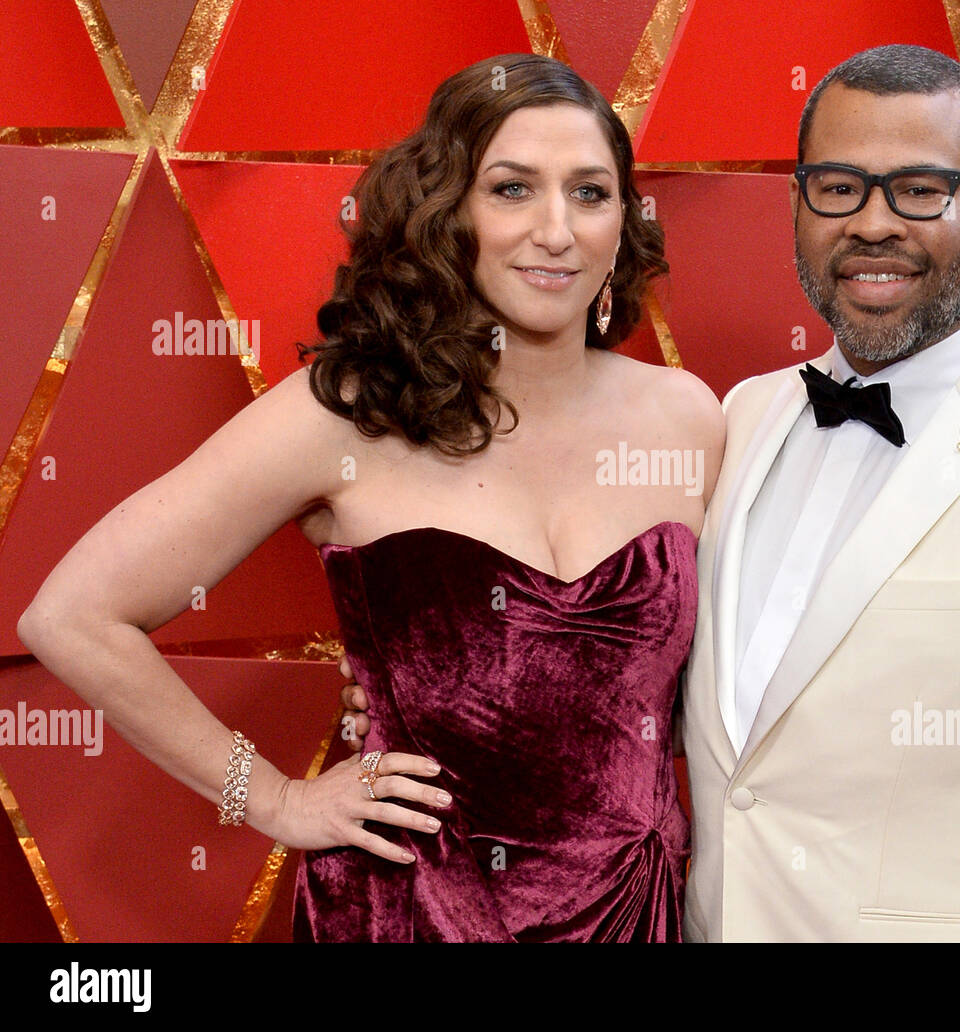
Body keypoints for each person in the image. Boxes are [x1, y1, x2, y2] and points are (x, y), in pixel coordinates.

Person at [345, 43, 960, 942]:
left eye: (918, 189)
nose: (873, 223)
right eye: (838, 187)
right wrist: (432, 678)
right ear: (798, 203)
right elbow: (638, 675)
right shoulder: (746, 418)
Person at [16, 53, 724, 943]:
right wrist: (271, 799)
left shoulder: (687, 418)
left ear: (624, 222)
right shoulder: (349, 415)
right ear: (448, 211)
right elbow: (71, 617)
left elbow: (716, 689)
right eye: (511, 189)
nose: (557, 230)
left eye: (590, 193)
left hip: (635, 912)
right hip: (413, 912)